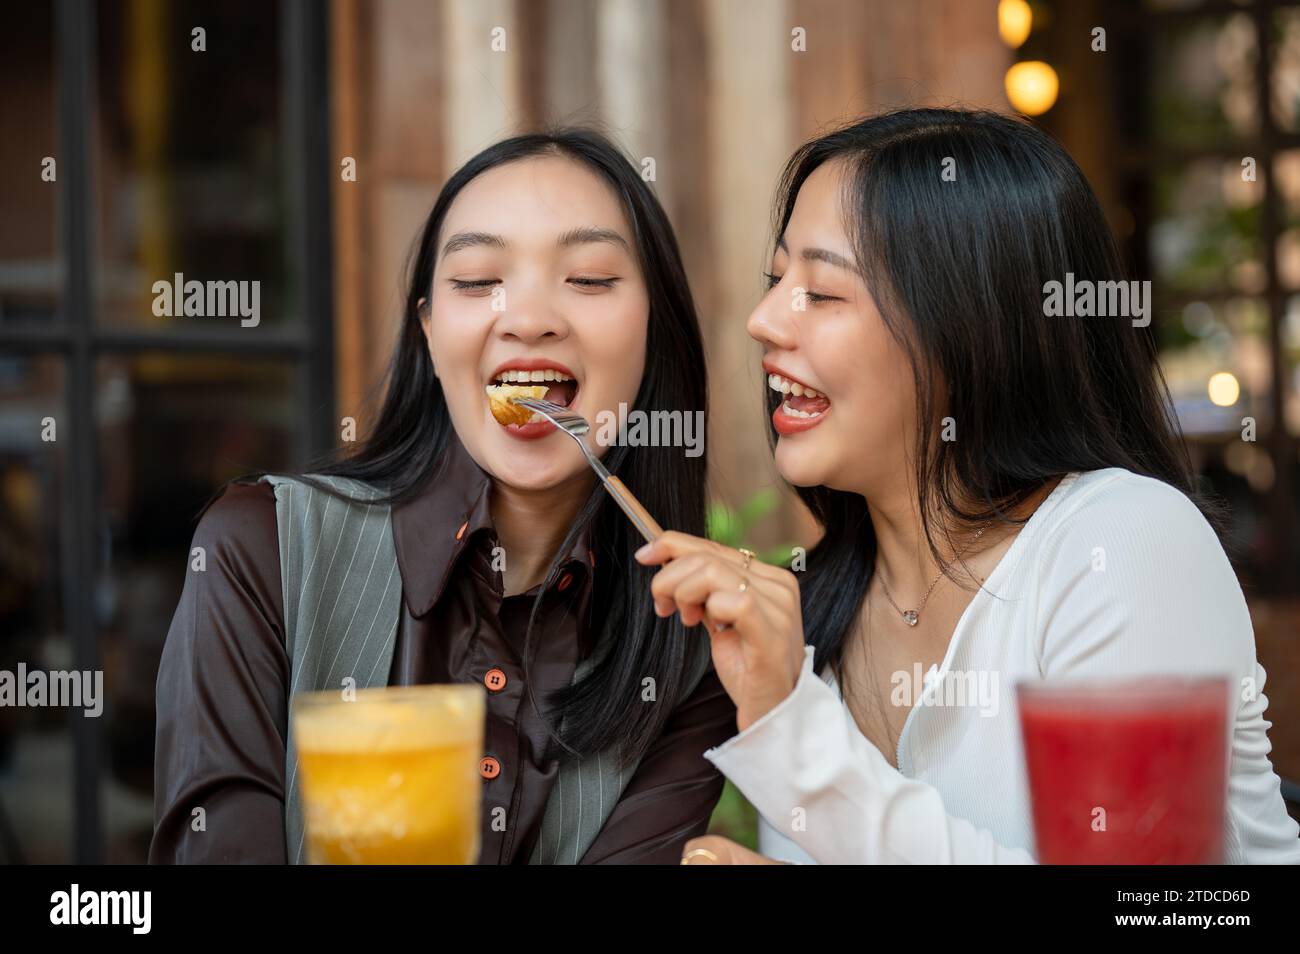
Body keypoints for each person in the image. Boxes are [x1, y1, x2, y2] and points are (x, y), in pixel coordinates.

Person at [641, 108, 1300, 865]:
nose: (763, 321)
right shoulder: (818, 617)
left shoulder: (1121, 542)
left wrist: (791, 728)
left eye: (821, 293)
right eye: (776, 279)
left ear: (969, 328)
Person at [151, 128, 736, 864]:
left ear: (656, 326)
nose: (529, 318)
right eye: (475, 279)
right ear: (429, 332)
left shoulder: (689, 655)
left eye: (587, 278)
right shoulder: (259, 550)